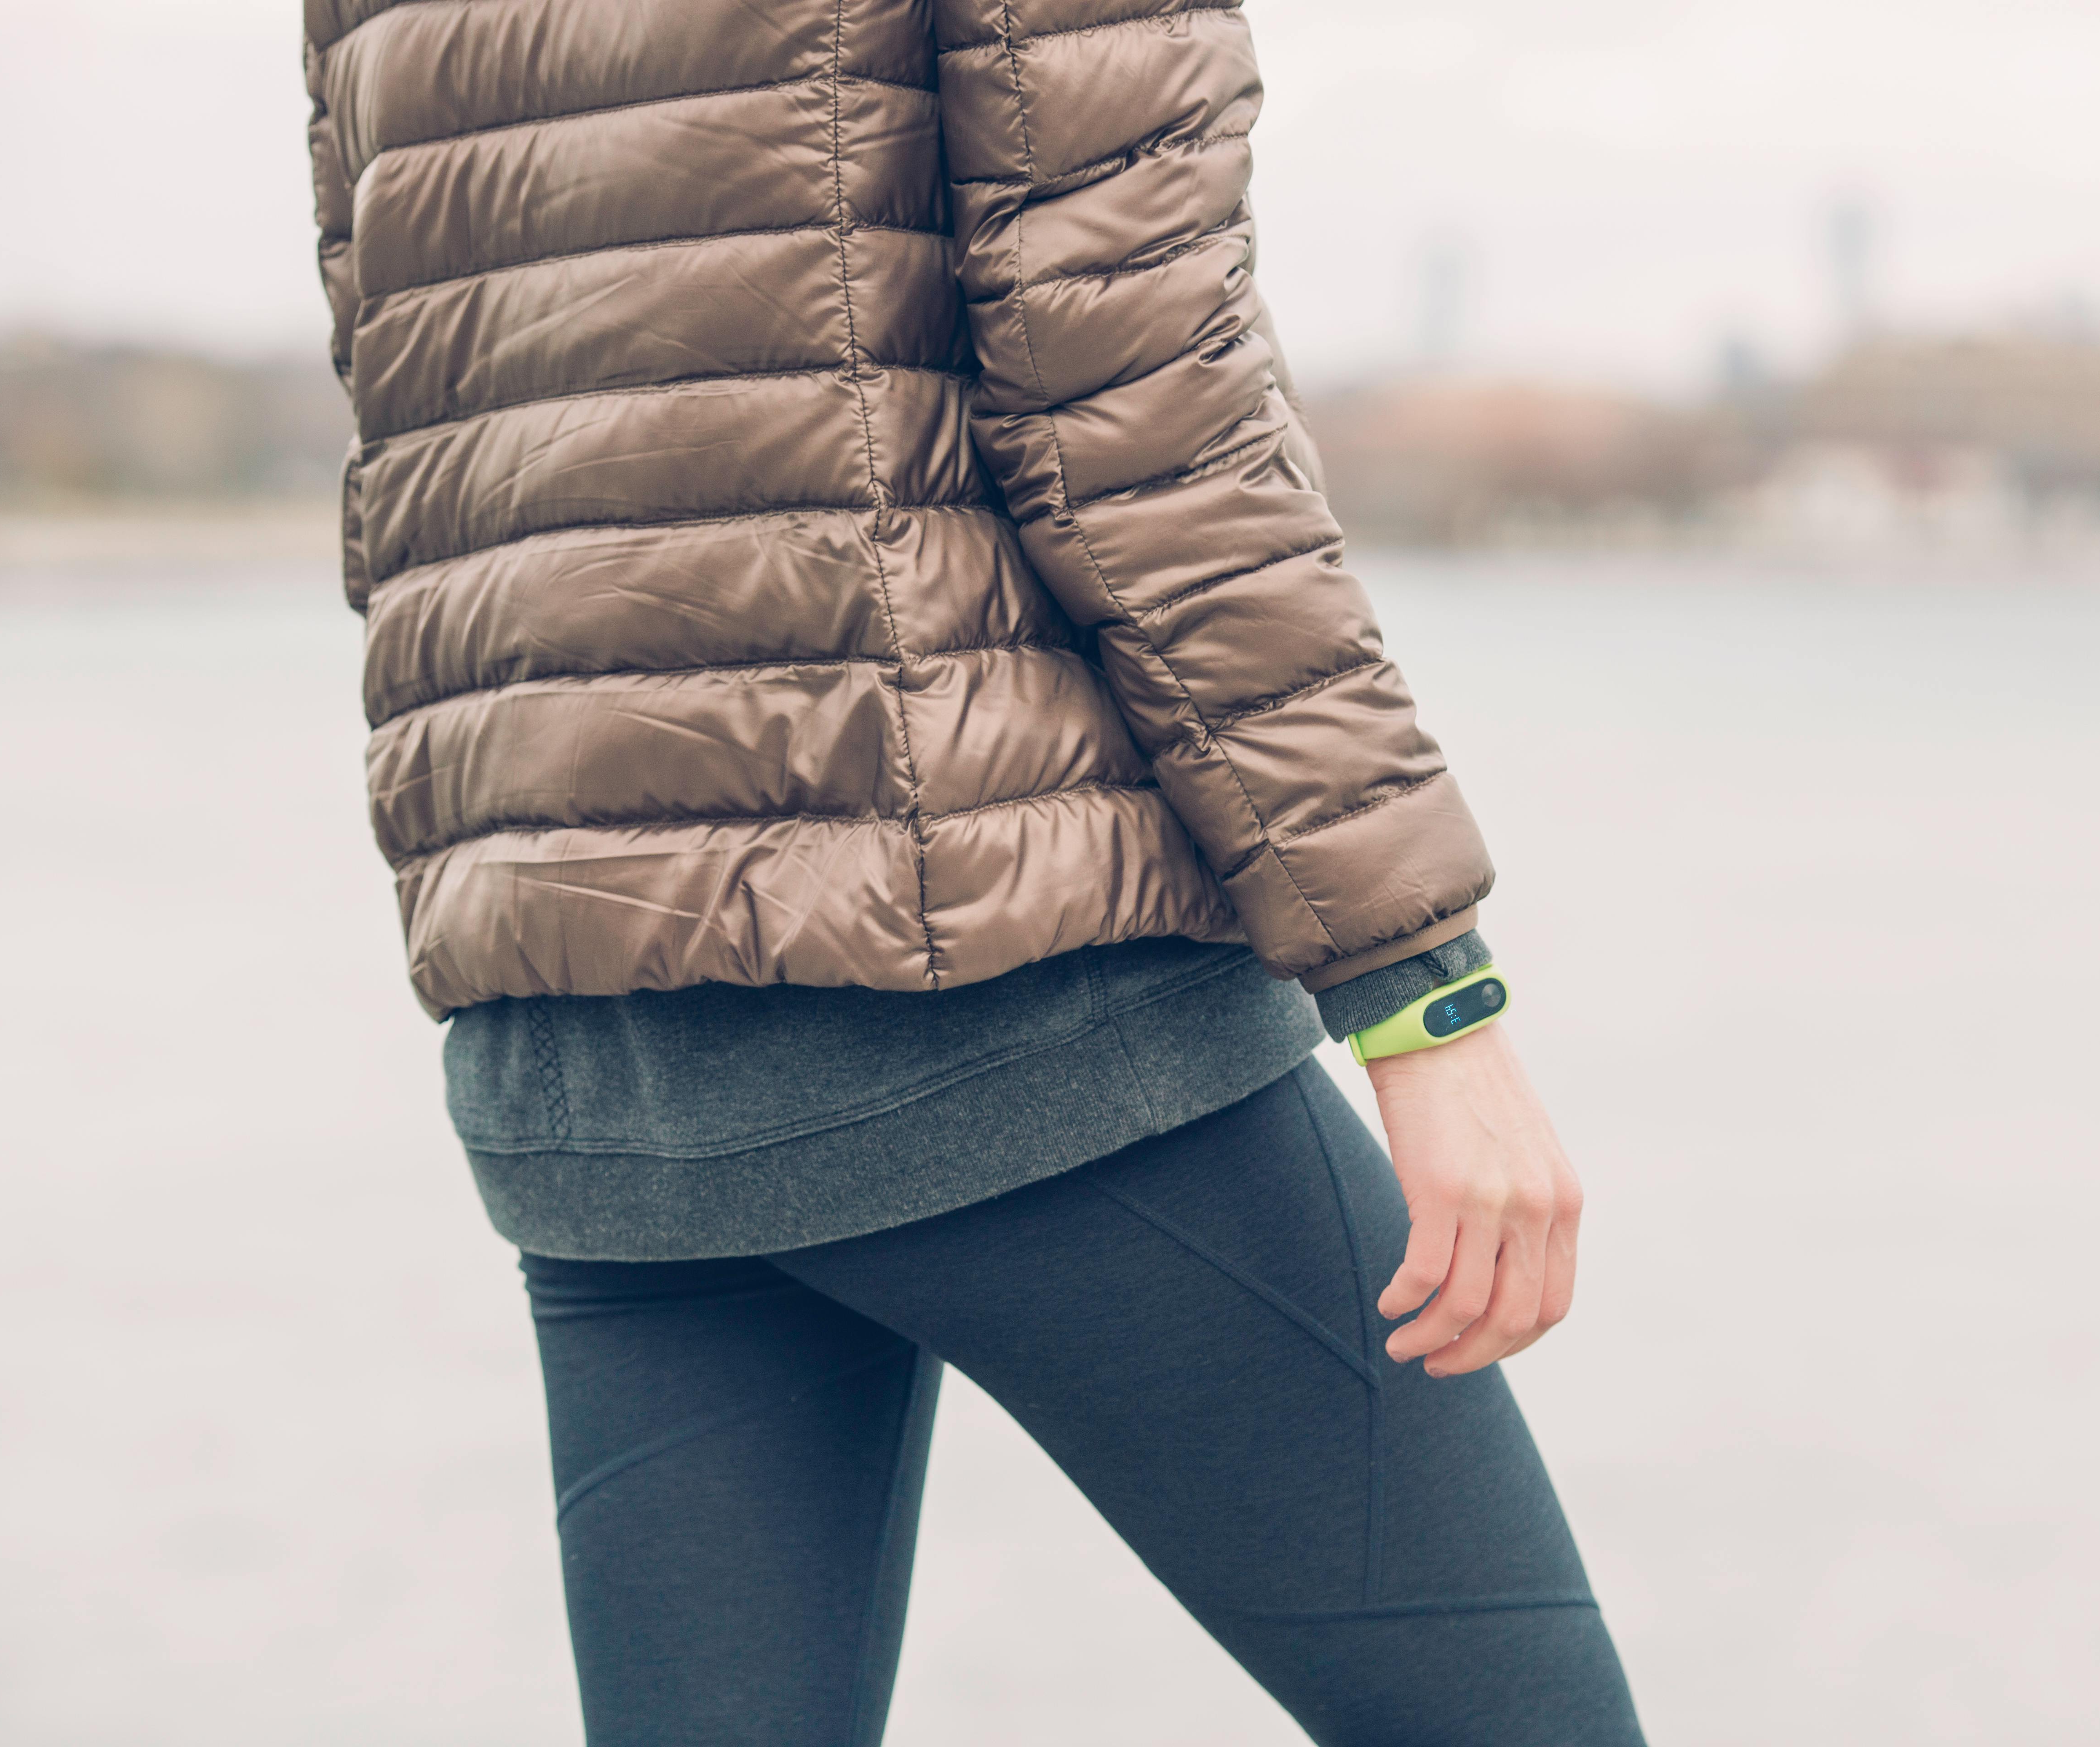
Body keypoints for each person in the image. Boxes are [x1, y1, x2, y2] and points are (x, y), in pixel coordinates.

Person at [301, 0, 1645, 1740]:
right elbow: (1147, 423)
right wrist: (1423, 992)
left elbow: (414, 405)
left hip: (586, 1051)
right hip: (1009, 1012)